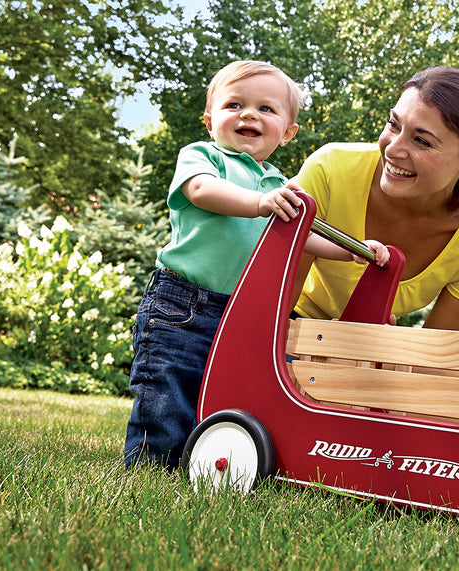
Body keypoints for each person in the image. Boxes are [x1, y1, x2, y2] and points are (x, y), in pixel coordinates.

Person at [122, 60, 384, 470]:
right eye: (233, 105)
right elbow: (202, 191)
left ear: (287, 132)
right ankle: (151, 468)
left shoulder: (278, 182)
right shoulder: (203, 157)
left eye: (266, 109)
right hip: (182, 303)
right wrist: (259, 204)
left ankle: (204, 463)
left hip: (240, 311)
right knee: (169, 387)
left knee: (227, 388)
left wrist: (349, 250)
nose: (248, 114)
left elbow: (302, 238)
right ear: (210, 121)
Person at [268, 66, 459, 331]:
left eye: (422, 141)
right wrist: (328, 340)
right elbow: (270, 306)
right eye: (394, 125)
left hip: (366, 348)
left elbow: (431, 355)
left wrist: (386, 352)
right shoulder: (330, 170)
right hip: (285, 327)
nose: (392, 149)